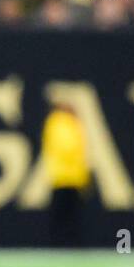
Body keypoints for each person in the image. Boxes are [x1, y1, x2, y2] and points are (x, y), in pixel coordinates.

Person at [41, 100, 90, 247]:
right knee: (61, 217)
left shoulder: (70, 123)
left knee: (71, 217)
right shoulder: (58, 121)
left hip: (73, 179)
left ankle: (69, 245)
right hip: (63, 179)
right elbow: (68, 147)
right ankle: (59, 245)